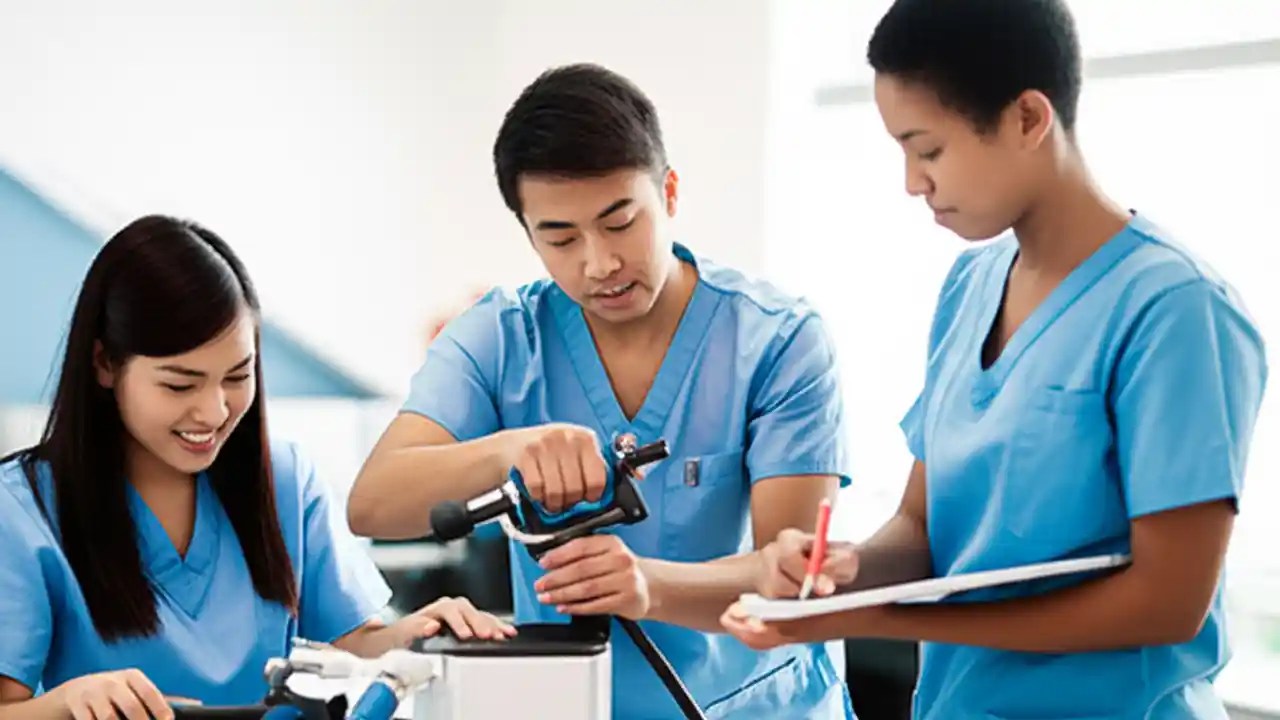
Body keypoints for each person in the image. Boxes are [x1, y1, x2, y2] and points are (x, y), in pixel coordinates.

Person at [723, 1, 1270, 718]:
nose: (912, 182)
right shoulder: (971, 285)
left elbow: (1167, 604)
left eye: (928, 150)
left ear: (1027, 119)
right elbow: (922, 529)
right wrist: (846, 573)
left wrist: (880, 621)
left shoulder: (1176, 309)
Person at [347, 64, 855, 718]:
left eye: (620, 222)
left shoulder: (779, 340)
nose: (599, 263)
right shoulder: (502, 339)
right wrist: (513, 452)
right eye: (560, 237)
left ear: (668, 193)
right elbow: (373, 504)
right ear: (528, 232)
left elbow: (791, 582)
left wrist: (649, 584)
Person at [0, 216, 514, 718]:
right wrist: (65, 705)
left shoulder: (286, 482)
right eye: (180, 385)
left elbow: (360, 644)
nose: (215, 412)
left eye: (237, 376)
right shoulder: (22, 511)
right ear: (105, 364)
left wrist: (421, 633)